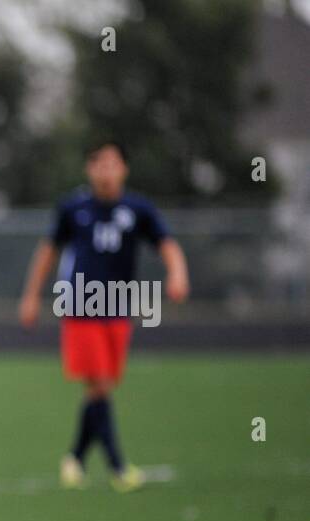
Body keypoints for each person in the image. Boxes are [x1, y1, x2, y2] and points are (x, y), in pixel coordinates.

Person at [19, 140, 190, 491]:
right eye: (98, 163)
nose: (105, 171)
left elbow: (167, 245)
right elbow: (48, 251)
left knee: (100, 388)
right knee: (97, 382)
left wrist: (178, 273)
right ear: (89, 169)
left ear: (123, 169)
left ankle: (75, 458)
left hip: (119, 306)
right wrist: (31, 296)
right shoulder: (73, 208)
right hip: (81, 304)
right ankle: (118, 467)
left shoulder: (138, 208)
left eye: (112, 163)